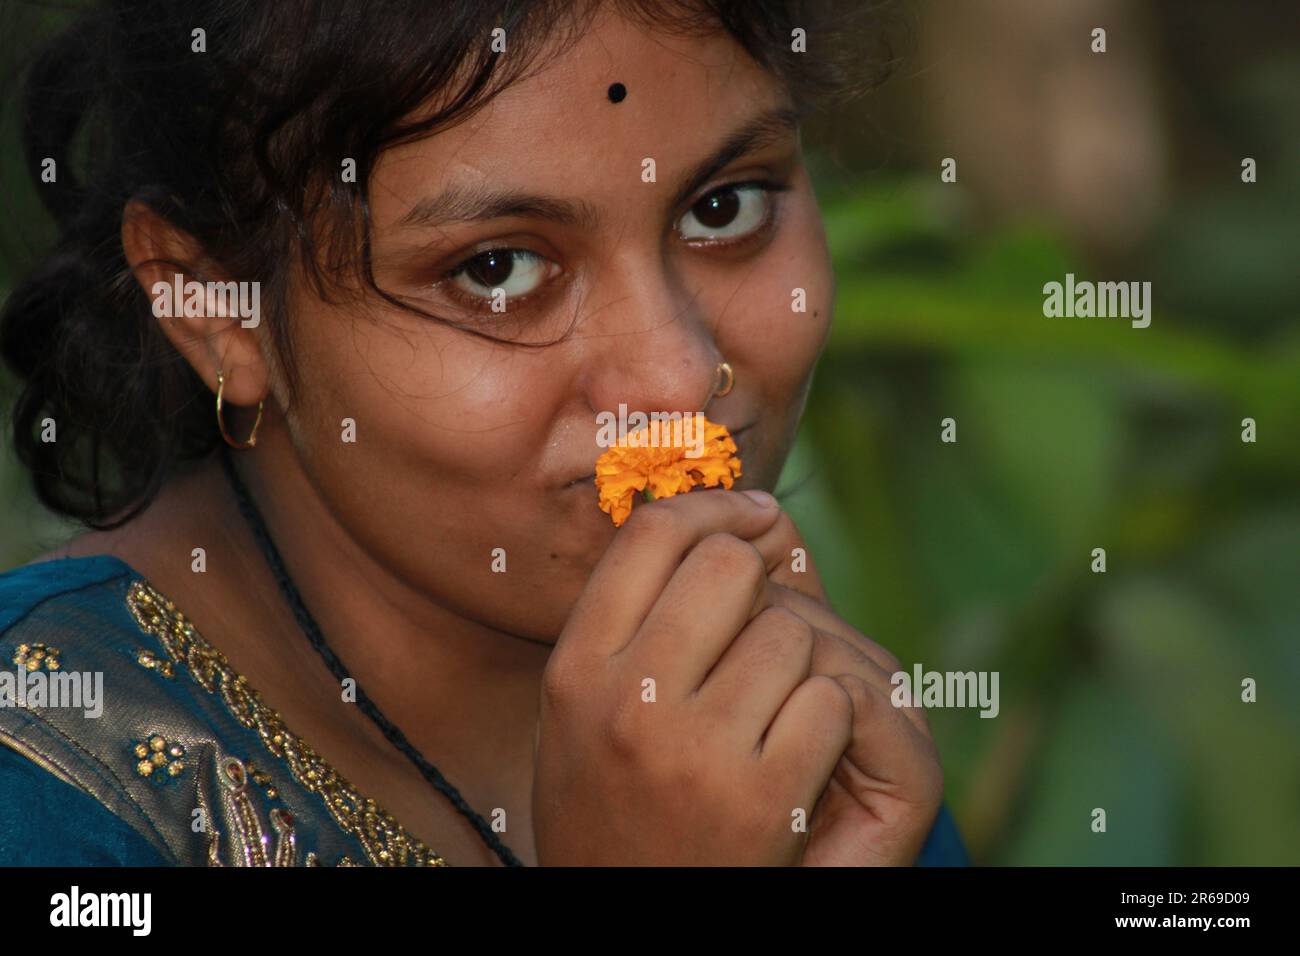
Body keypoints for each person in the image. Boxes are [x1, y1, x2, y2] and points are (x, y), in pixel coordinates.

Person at [0, 0, 969, 866]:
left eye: (724, 206)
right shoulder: (46, 778)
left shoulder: (795, 724)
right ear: (218, 308)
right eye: (497, 268)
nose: (677, 376)